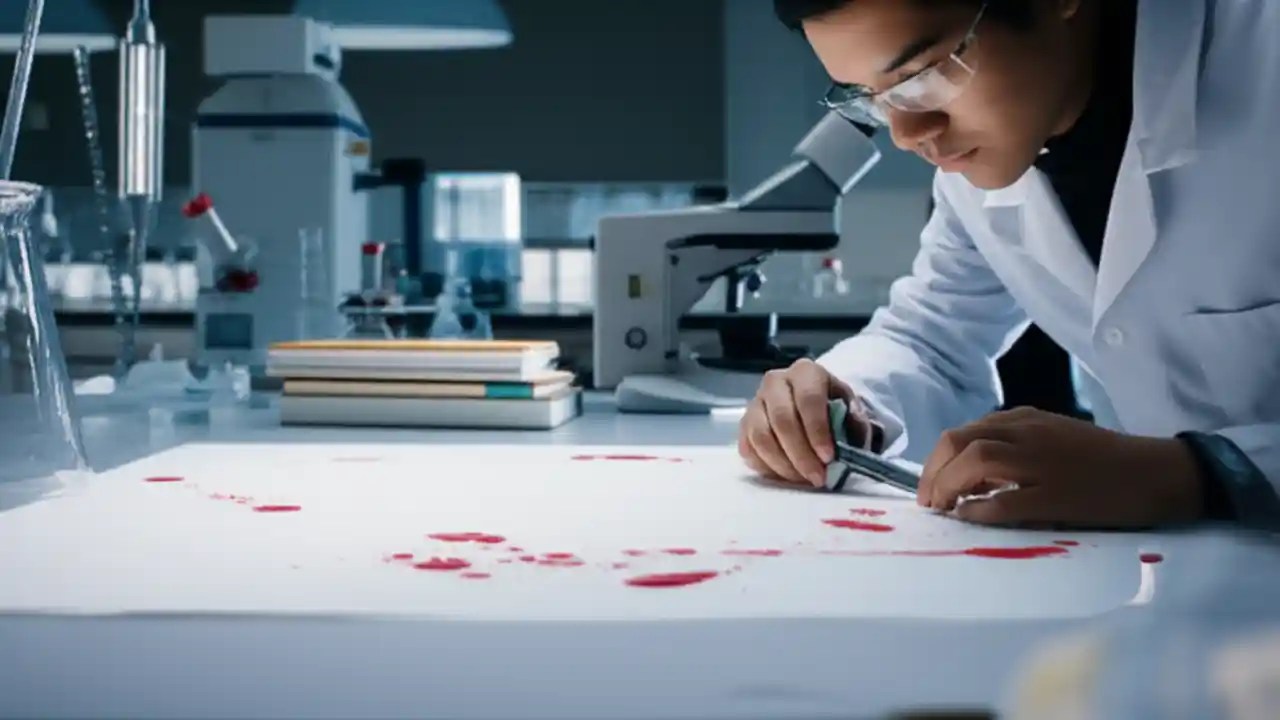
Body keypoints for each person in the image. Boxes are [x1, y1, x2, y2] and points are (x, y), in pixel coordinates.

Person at [739, 0, 1280, 530]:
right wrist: (847, 396)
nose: (906, 134)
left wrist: (1191, 476)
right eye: (869, 99)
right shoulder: (987, 154)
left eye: (921, 75)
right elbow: (933, 342)